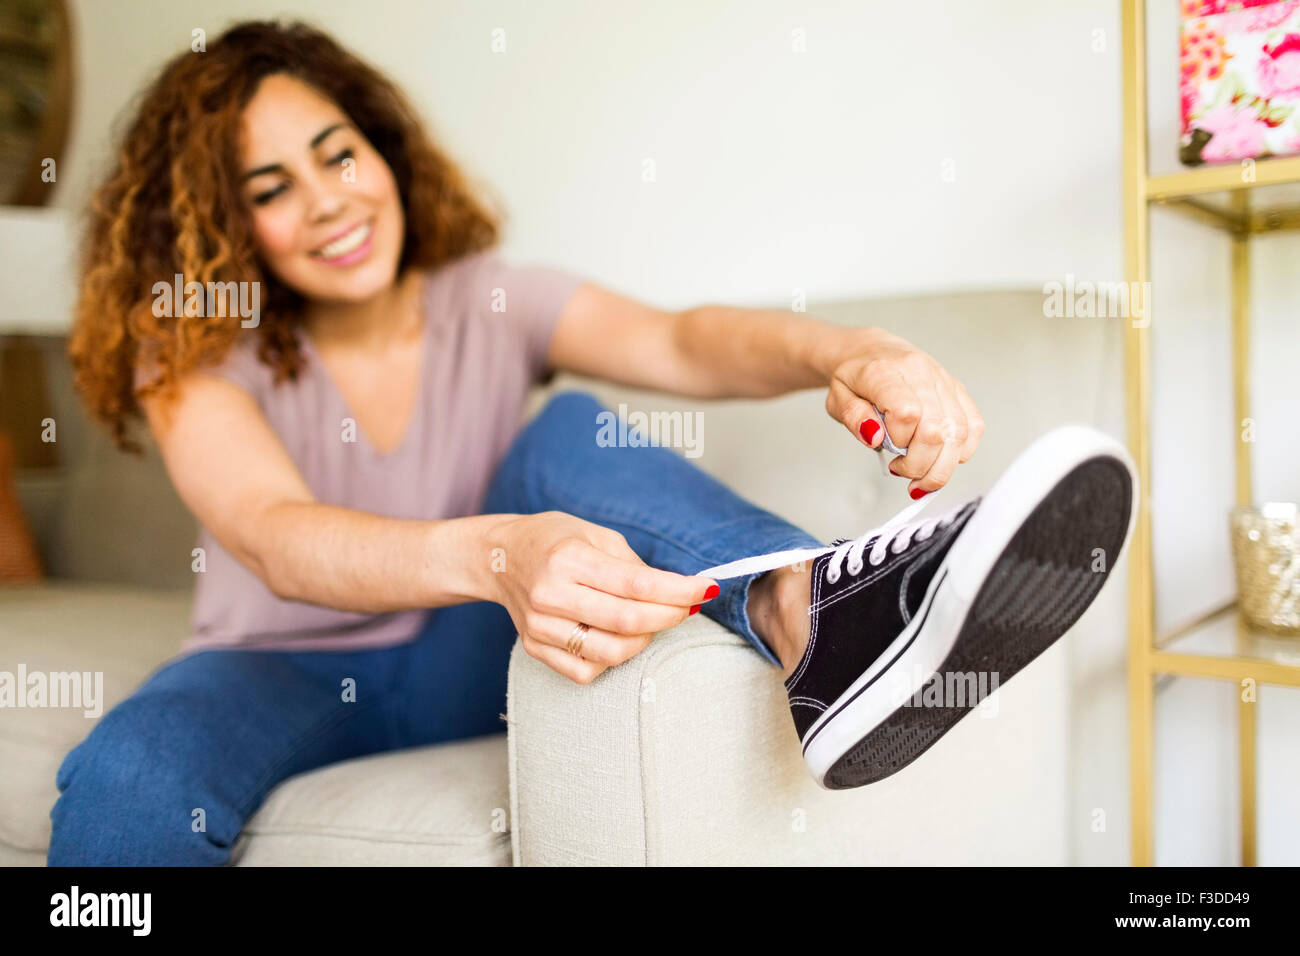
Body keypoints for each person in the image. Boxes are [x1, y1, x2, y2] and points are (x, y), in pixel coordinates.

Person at [50, 20, 1135, 865]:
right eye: (271, 190)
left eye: (338, 155)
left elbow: (682, 338)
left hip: (466, 657)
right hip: (271, 670)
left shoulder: (491, 300)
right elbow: (277, 537)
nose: (329, 202)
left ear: (382, 149)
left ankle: (817, 614)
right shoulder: (188, 352)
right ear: (222, 224)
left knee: (568, 425)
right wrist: (497, 552)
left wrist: (849, 348)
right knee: (128, 772)